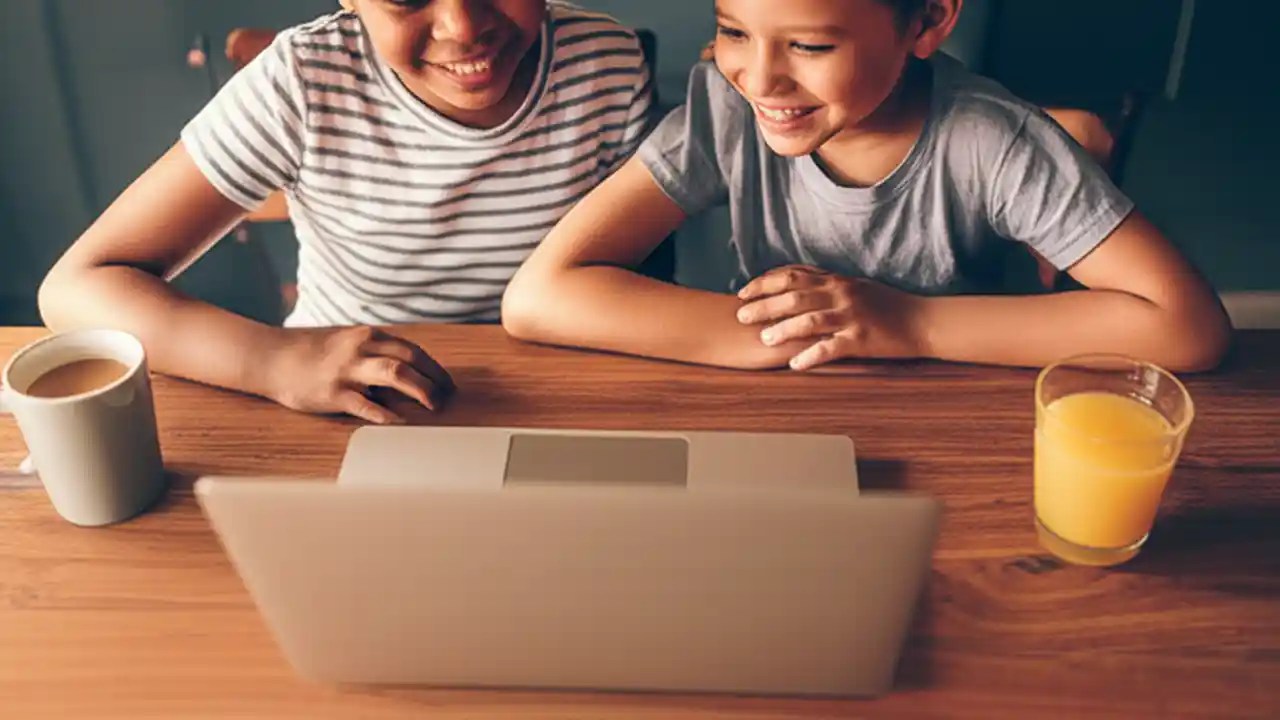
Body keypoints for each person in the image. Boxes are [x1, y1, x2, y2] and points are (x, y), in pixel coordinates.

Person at [501, 0, 1232, 373]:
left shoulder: (992, 140)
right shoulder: (725, 110)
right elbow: (537, 297)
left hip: (956, 412)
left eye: (811, 45)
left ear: (928, 20)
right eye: (733, 30)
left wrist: (907, 324)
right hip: (785, 413)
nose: (760, 78)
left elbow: (1189, 326)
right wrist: (786, 336)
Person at [39, 0, 654, 423]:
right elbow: (76, 289)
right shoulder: (303, 82)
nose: (463, 27)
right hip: (346, 400)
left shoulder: (610, 63)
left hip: (556, 399)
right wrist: (277, 360)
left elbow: (620, 279)